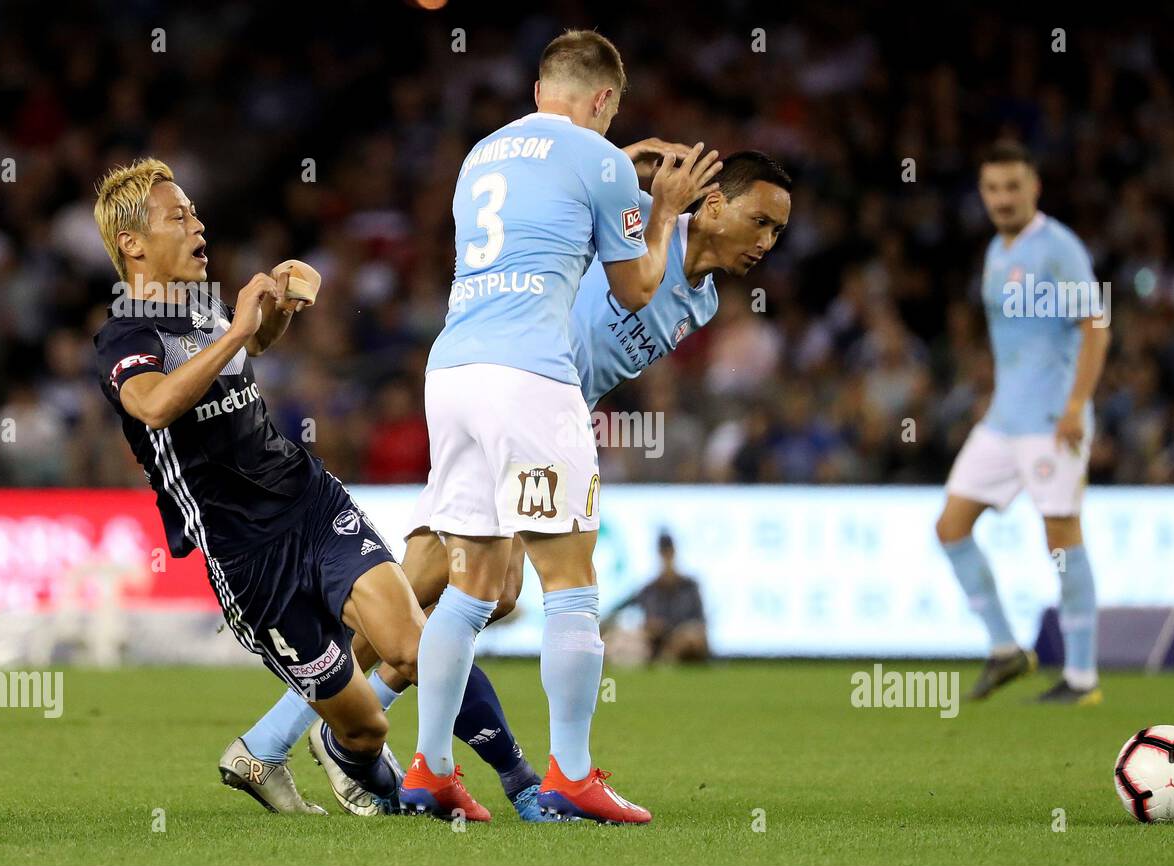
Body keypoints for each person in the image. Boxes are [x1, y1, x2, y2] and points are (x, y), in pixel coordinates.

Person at [256, 148, 790, 815]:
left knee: (485, 594)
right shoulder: (635, 224)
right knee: (447, 590)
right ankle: (287, 739)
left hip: (532, 413)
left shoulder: (703, 301)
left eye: (778, 231)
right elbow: (557, 204)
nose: (768, 241)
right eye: (761, 220)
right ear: (713, 203)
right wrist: (622, 168)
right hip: (509, 392)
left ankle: (351, 746)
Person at [400, 28, 721, 824]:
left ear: (543, 90)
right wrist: (665, 210)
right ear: (605, 100)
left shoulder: (481, 154)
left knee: (470, 589)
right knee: (570, 584)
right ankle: (572, 775)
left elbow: (545, 212)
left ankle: (430, 769)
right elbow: (638, 290)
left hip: (452, 373)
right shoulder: (604, 161)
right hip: (529, 382)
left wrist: (614, 174)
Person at [91, 158, 424, 815]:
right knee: (366, 727)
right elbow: (154, 406)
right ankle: (329, 764)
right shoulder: (124, 336)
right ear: (132, 243)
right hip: (247, 558)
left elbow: (252, 349)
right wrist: (243, 328)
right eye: (178, 216)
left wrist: (277, 313)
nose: (198, 223)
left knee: (412, 650)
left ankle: (411, 800)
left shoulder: (200, 308)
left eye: (194, 211)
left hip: (309, 501)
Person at [935, 141, 1110, 705]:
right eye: (992, 189)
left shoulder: (1059, 248)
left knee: (1060, 536)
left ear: (1034, 188)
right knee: (951, 527)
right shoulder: (994, 249)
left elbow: (1095, 325)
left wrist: (1077, 404)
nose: (1002, 198)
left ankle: (1082, 678)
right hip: (1004, 419)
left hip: (1050, 418)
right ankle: (1006, 649)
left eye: (1013, 187)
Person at [605, 533, 709, 663]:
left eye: (668, 552)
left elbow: (700, 622)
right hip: (655, 643)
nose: (666, 557)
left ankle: (667, 660)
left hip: (685, 642)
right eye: (663, 553)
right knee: (625, 639)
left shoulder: (689, 586)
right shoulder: (649, 590)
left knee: (690, 636)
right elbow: (620, 608)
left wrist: (677, 632)